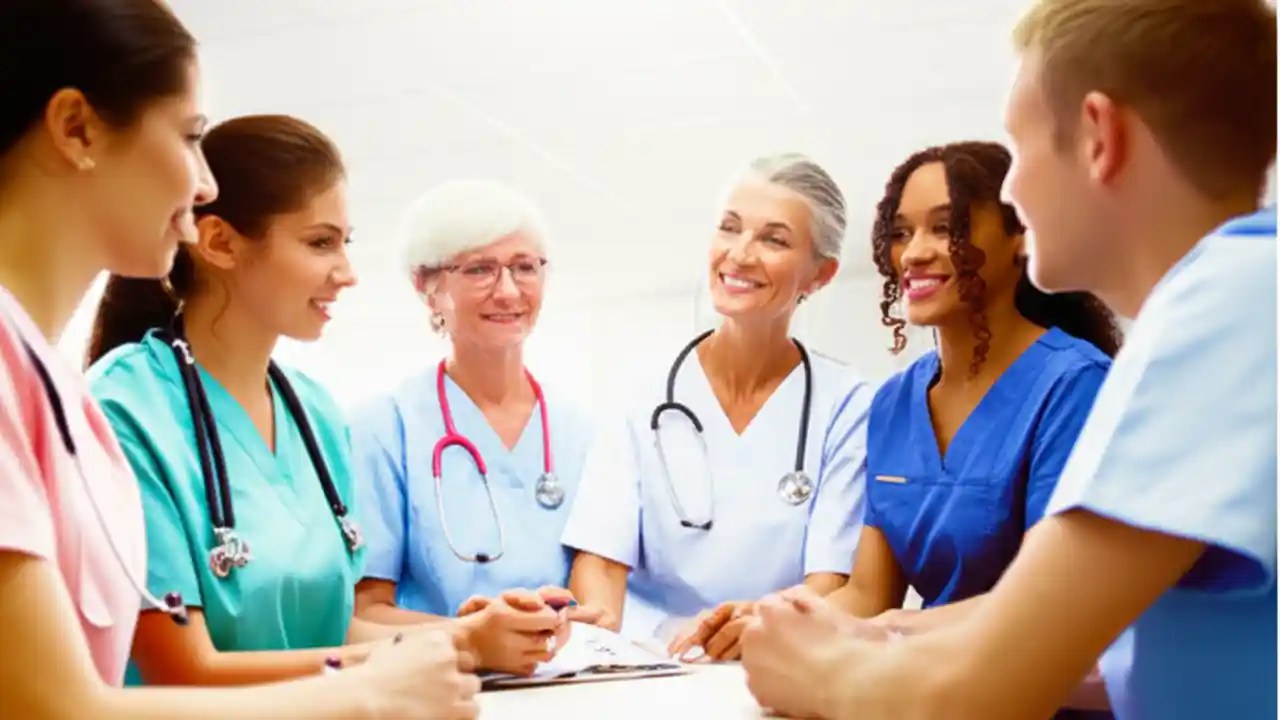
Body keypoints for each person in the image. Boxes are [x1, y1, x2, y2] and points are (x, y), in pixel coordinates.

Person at [739, 1, 1277, 719]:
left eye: (1018, 152)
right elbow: (1058, 636)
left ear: (1098, 137)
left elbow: (982, 688)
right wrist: (850, 633)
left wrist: (817, 674)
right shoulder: (1236, 301)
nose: (1015, 188)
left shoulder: (1229, 306)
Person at [0, 1, 477, 718]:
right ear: (76, 129)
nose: (204, 183)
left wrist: (449, 645)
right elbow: (58, 707)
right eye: (190, 138)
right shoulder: (95, 394)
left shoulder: (46, 385)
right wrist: (364, 695)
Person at [683, 142, 1121, 697]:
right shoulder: (895, 403)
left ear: (1020, 237)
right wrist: (781, 617)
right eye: (900, 233)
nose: (915, 252)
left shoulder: (1074, 385)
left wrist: (889, 632)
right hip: (933, 686)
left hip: (1044, 695)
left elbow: (1053, 602)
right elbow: (868, 592)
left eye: (947, 227)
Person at [563, 153, 875, 650]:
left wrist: (760, 628)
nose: (741, 254)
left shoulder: (848, 404)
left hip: (778, 654)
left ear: (821, 274)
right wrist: (600, 652)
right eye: (730, 228)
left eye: (774, 239)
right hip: (652, 659)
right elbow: (600, 561)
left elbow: (831, 580)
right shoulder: (642, 393)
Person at [351, 179, 590, 676]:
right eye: (480, 269)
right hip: (441, 682)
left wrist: (558, 625)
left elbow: (597, 600)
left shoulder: (580, 431)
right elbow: (363, 611)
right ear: (426, 285)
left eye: (525, 267)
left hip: (564, 684)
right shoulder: (385, 427)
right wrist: (475, 637)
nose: (508, 290)